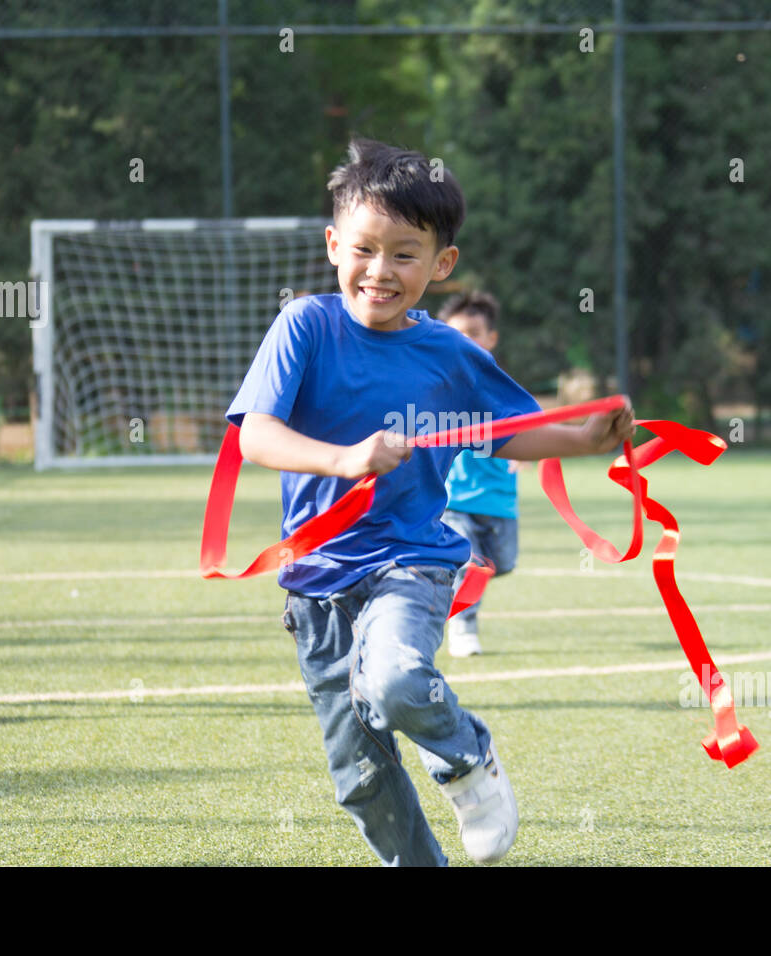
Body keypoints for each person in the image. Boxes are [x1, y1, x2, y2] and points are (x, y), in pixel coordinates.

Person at [227, 138, 633, 865]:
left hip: (409, 562)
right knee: (361, 784)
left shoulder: (450, 353)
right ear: (333, 246)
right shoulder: (305, 326)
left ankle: (468, 760)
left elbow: (505, 433)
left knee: (394, 678)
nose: (380, 271)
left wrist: (585, 440)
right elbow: (256, 435)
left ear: (442, 264)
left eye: (405, 254)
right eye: (364, 249)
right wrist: (345, 458)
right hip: (316, 582)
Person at [439, 291, 519, 657]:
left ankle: (445, 588)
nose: (465, 341)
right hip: (455, 498)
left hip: (498, 499)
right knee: (468, 562)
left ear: (491, 338)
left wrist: (529, 453)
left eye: (473, 333)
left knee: (500, 563)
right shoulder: (441, 384)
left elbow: (527, 425)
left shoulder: (503, 387)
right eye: (457, 334)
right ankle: (462, 625)